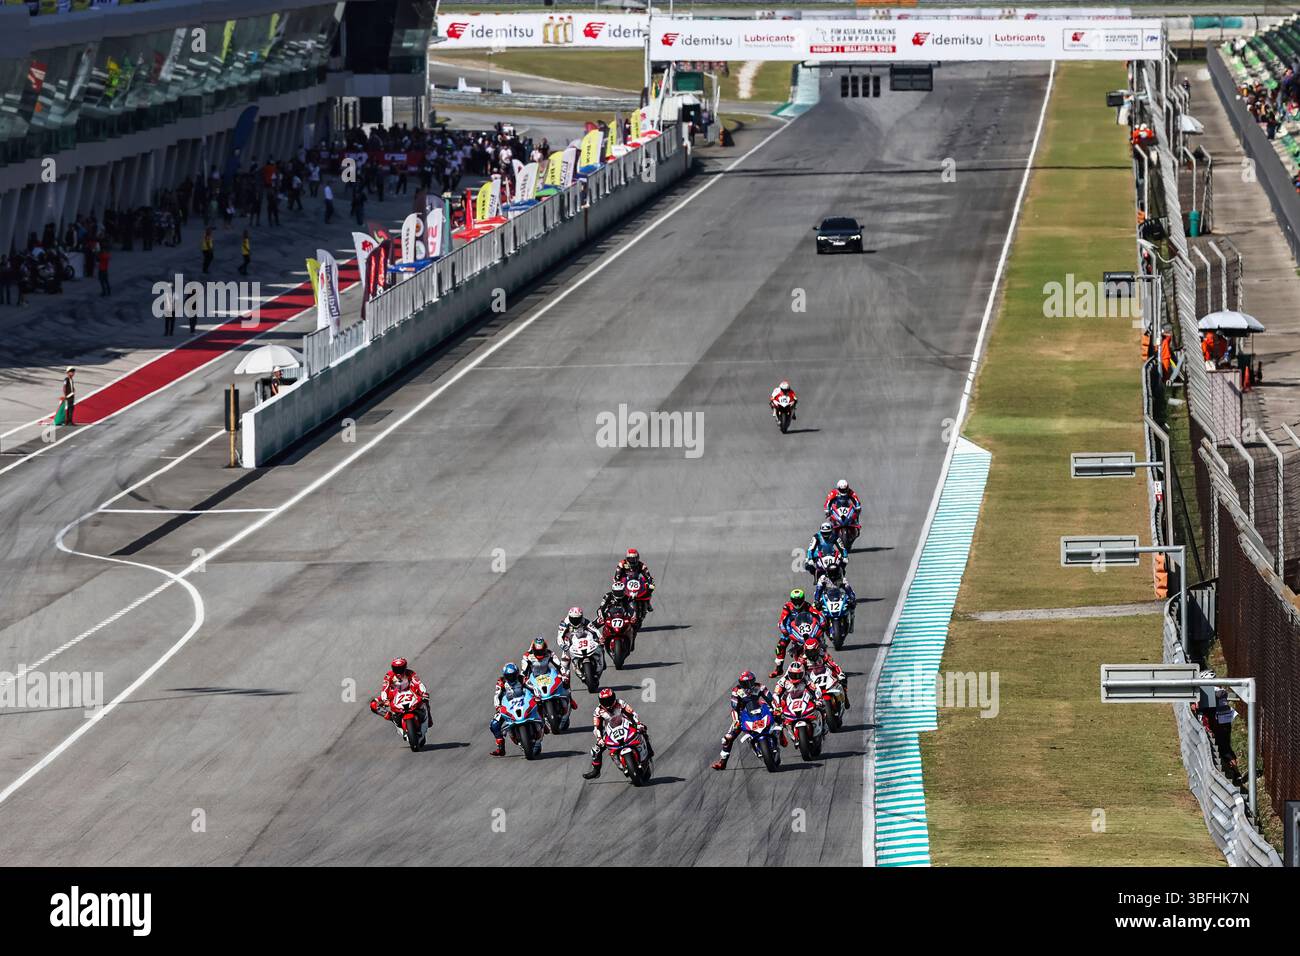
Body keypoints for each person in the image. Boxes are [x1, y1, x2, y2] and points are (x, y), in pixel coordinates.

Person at [711, 670, 779, 770]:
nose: (747, 685)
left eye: (749, 682)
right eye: (744, 683)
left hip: (760, 711)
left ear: (754, 681)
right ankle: (722, 761)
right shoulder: (736, 691)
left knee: (780, 717)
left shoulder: (760, 687)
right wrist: (736, 721)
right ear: (740, 682)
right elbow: (734, 708)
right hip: (744, 715)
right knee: (727, 738)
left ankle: (781, 737)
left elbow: (770, 699)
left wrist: (776, 708)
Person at [582, 688, 652, 779]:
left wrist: (638, 724)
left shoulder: (620, 703)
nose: (607, 702)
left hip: (626, 726)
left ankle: (649, 751)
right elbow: (597, 727)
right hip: (610, 731)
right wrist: (599, 739)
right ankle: (596, 771)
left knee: (642, 729)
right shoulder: (598, 711)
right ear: (600, 701)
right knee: (596, 750)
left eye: (609, 699)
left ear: (614, 697)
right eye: (604, 701)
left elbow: (632, 714)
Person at [368, 656, 431, 732]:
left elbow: (418, 683)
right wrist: (385, 700)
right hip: (394, 693)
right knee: (373, 704)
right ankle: (392, 717)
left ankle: (429, 717)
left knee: (425, 698)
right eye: (396, 669)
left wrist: (423, 693)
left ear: (405, 667)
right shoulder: (389, 676)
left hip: (410, 690)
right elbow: (384, 689)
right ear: (392, 668)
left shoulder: (410, 673)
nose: (398, 671)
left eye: (401, 668)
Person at [772, 587, 825, 677]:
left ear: (803, 599)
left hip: (807, 629)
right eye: (795, 600)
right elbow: (782, 620)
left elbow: (817, 614)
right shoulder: (787, 607)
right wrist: (784, 630)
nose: (797, 603)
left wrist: (822, 621)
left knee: (820, 639)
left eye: (799, 600)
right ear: (791, 600)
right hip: (791, 630)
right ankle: (778, 668)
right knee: (780, 645)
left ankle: (826, 662)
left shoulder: (807, 606)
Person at [489, 662, 528, 757]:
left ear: (517, 673)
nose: (511, 678)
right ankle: (501, 748)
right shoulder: (501, 682)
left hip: (523, 703)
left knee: (538, 705)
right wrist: (498, 707)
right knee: (494, 724)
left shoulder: (522, 678)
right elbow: (497, 696)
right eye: (508, 676)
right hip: (508, 706)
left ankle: (546, 724)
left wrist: (536, 696)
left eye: (513, 675)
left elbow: (532, 688)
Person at [813, 562, 857, 633]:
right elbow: (818, 590)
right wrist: (816, 600)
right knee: (814, 609)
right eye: (833, 574)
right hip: (826, 596)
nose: (834, 576)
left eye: (836, 573)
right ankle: (817, 630)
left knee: (853, 604)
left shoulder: (842, 579)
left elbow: (849, 591)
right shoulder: (823, 579)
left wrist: (852, 599)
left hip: (838, 595)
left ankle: (851, 623)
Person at [612, 547, 655, 613]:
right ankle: (616, 604)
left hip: (636, 580)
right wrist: (617, 581)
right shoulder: (622, 564)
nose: (632, 560)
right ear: (627, 558)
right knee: (617, 590)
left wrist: (650, 580)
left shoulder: (641, 565)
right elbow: (617, 575)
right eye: (630, 558)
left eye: (634, 558)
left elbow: (647, 574)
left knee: (651, 586)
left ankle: (647, 602)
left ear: (637, 558)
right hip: (624, 581)